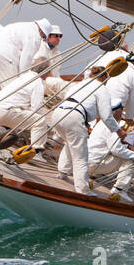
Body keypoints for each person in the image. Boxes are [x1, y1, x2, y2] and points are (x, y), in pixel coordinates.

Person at [49, 65, 122, 196]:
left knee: (69, 142)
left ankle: (62, 172)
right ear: (104, 77)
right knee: (81, 156)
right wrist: (119, 131)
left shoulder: (79, 84)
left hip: (58, 114)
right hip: (75, 116)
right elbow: (106, 115)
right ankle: (83, 190)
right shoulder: (102, 88)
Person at [0, 59, 49, 148]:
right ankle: (36, 152)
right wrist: (43, 128)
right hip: (6, 114)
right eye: (49, 72)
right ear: (45, 72)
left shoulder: (23, 76)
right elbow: (36, 109)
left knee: (20, 110)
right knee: (39, 120)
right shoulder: (38, 82)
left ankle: (5, 128)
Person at [0, 18, 54, 95]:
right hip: (4, 56)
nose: (42, 38)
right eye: (43, 37)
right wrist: (23, 80)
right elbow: (25, 61)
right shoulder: (35, 36)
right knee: (11, 91)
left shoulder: (23, 26)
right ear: (41, 31)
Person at [86, 102, 134, 200]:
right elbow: (116, 149)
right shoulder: (113, 126)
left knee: (126, 155)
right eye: (121, 111)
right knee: (130, 159)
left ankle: (97, 175)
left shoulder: (102, 122)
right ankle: (119, 190)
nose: (122, 114)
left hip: (87, 163)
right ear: (117, 112)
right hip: (96, 165)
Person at [106, 52, 134, 126]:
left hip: (103, 101)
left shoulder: (117, 68)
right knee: (113, 128)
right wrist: (129, 117)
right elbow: (133, 99)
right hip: (116, 106)